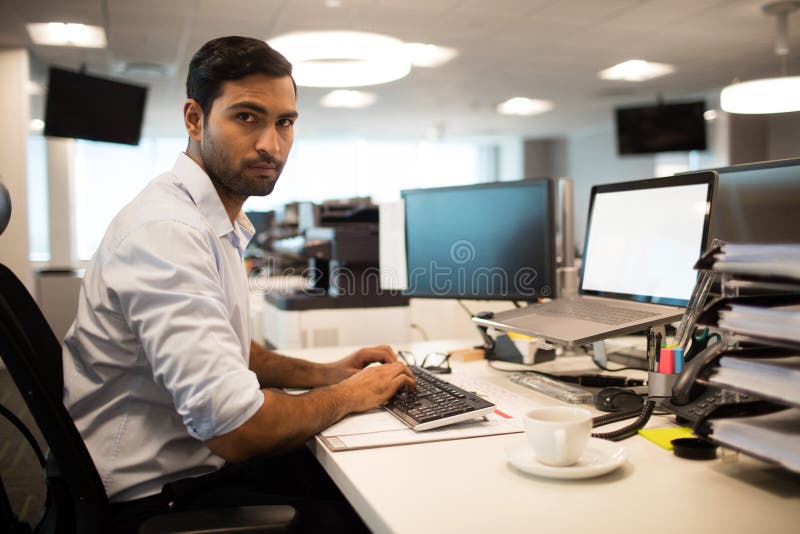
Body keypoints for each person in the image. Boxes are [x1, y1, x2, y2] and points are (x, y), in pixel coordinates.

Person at [62, 35, 415, 532]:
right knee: (375, 515)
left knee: (375, 476)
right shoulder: (168, 232)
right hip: (150, 500)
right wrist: (350, 395)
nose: (271, 144)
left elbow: (228, 349)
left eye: (284, 122)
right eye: (247, 117)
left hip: (189, 469)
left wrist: (328, 373)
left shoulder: (208, 221)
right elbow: (237, 428)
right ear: (194, 118)